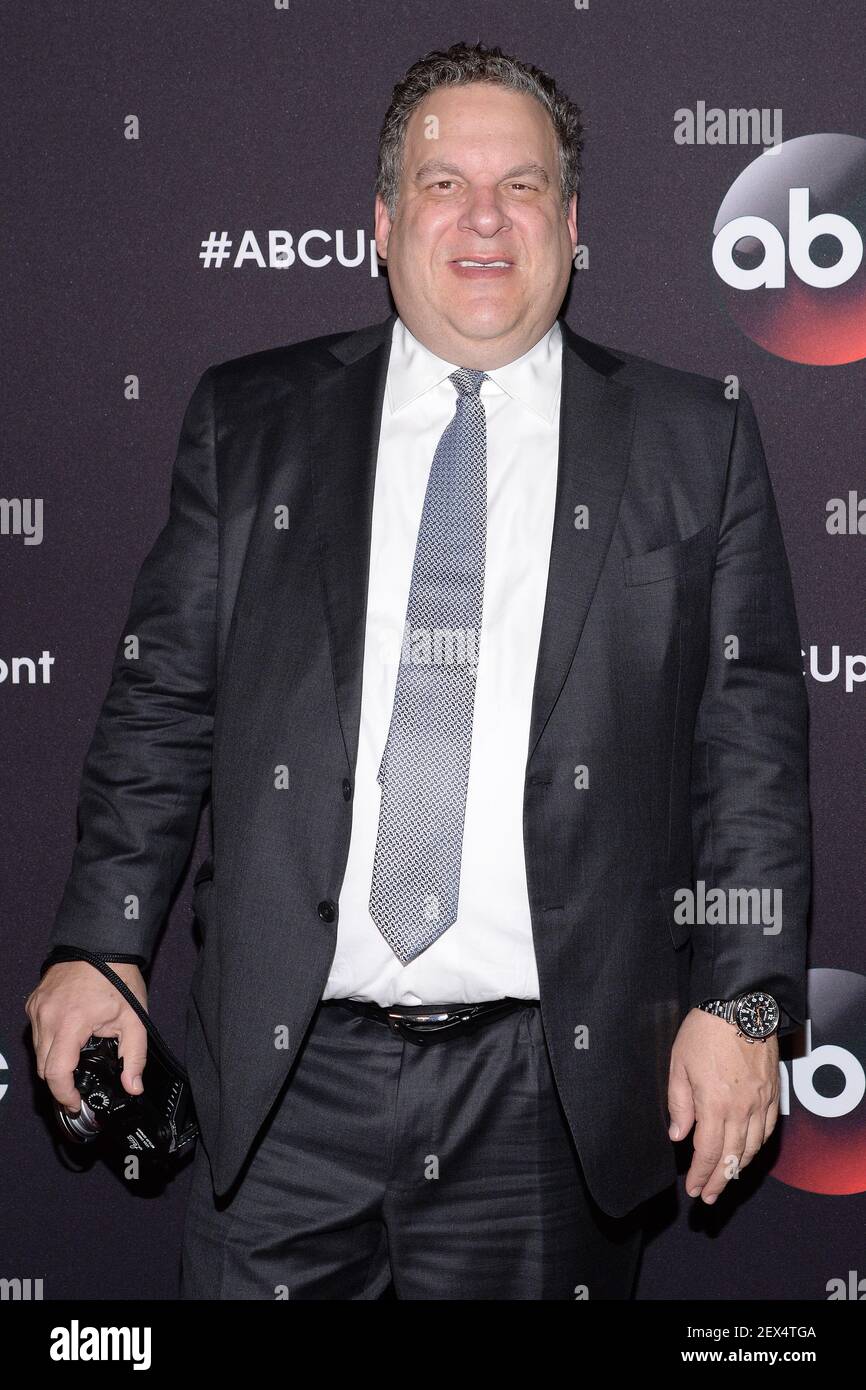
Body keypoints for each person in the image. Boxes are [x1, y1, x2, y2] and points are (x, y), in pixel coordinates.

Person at [26, 40, 811, 1300]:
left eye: (522, 184)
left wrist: (749, 1005)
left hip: (550, 1100)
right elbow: (161, 706)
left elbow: (751, 758)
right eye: (444, 183)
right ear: (383, 224)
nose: (484, 217)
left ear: (571, 220)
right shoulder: (252, 420)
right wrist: (104, 942)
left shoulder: (689, 439)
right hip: (286, 1094)